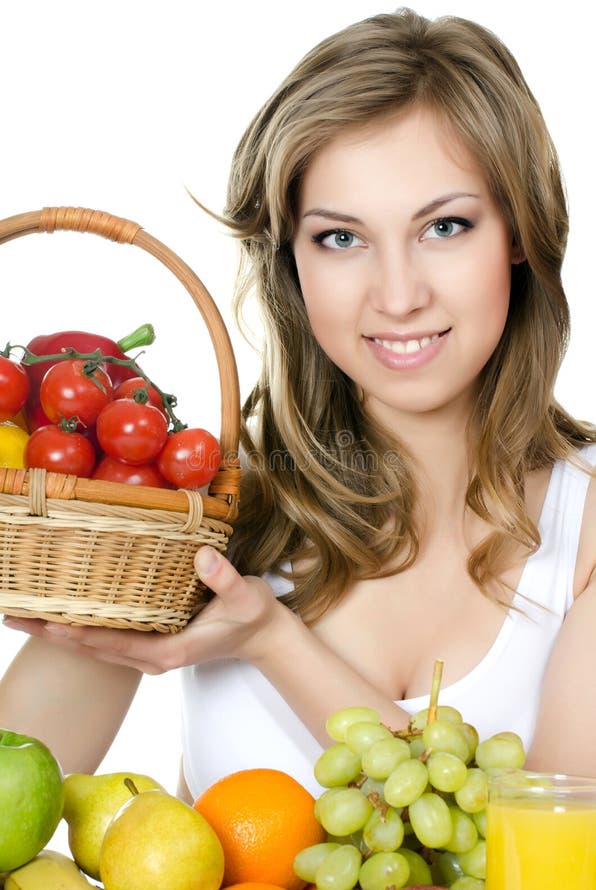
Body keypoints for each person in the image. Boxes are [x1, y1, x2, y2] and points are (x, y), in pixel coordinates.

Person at [1, 8, 595, 802]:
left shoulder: (582, 530)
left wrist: (271, 639)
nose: (397, 296)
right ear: (291, 262)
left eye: (444, 226)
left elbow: (555, 864)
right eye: (340, 238)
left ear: (519, 231)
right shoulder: (199, 515)